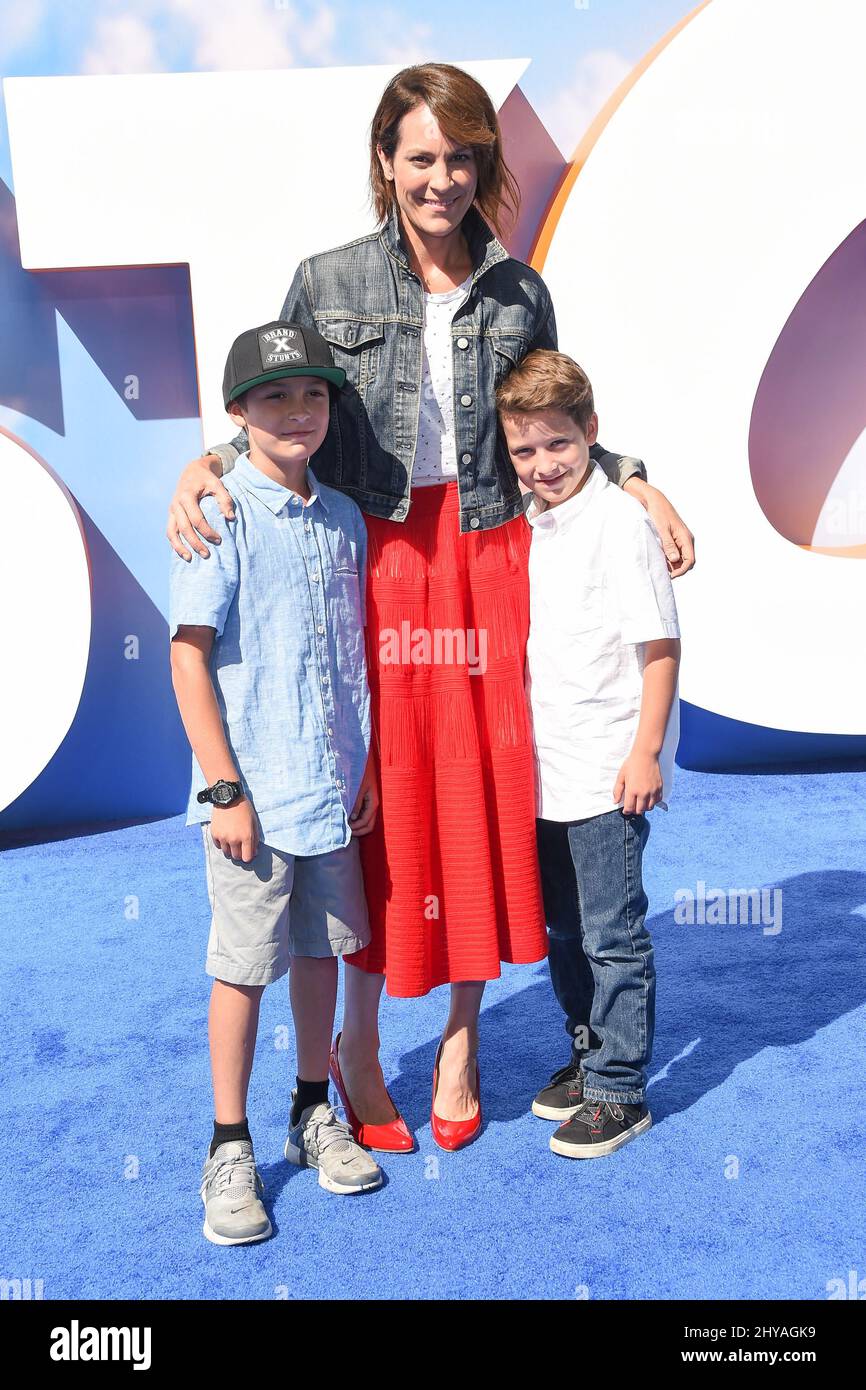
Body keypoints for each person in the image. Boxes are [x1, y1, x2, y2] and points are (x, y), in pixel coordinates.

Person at [166, 63, 695, 1153]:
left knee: (490, 790)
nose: (441, 178)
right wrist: (204, 464)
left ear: (481, 165)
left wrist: (630, 473)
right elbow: (281, 398)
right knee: (383, 794)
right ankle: (357, 1043)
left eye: (460, 157)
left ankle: (457, 1038)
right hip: (386, 552)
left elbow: (551, 416)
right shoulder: (327, 275)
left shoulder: (516, 287)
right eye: (420, 157)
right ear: (384, 162)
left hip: (496, 552)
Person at [169, 321, 384, 1246]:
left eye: (312, 396)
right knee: (242, 967)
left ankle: (309, 1110)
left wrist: (364, 762)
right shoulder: (220, 511)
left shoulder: (344, 517)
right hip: (251, 803)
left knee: (320, 952)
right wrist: (224, 791)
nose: (298, 412)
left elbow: (347, 659)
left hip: (332, 789)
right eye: (275, 398)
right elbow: (189, 659)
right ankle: (227, 1143)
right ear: (238, 415)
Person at [497, 349, 681, 1158]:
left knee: (613, 933)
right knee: (564, 933)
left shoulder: (621, 522)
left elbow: (660, 646)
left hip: (609, 772)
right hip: (546, 772)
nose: (543, 466)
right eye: (525, 451)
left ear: (592, 435)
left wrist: (645, 754)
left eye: (559, 446)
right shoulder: (532, 520)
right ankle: (587, 1054)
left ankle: (621, 1089)